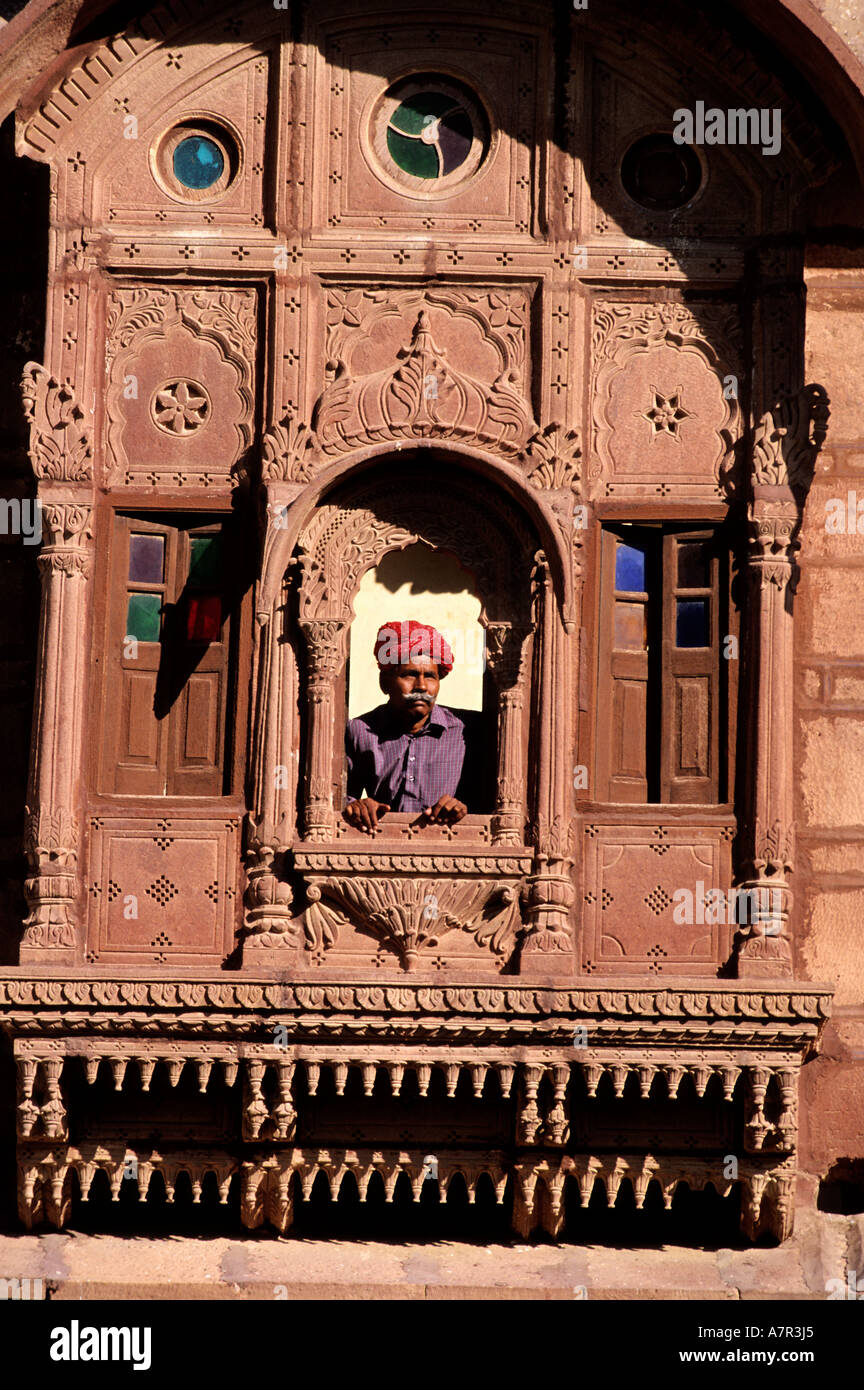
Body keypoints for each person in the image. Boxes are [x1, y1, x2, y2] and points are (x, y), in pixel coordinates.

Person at [343, 619, 483, 833]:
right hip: (381, 852)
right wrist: (357, 806)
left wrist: (464, 808)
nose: (421, 686)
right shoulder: (360, 731)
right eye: (409, 675)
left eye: (430, 676)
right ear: (385, 682)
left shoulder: (468, 732)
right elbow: (336, 797)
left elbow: (493, 802)